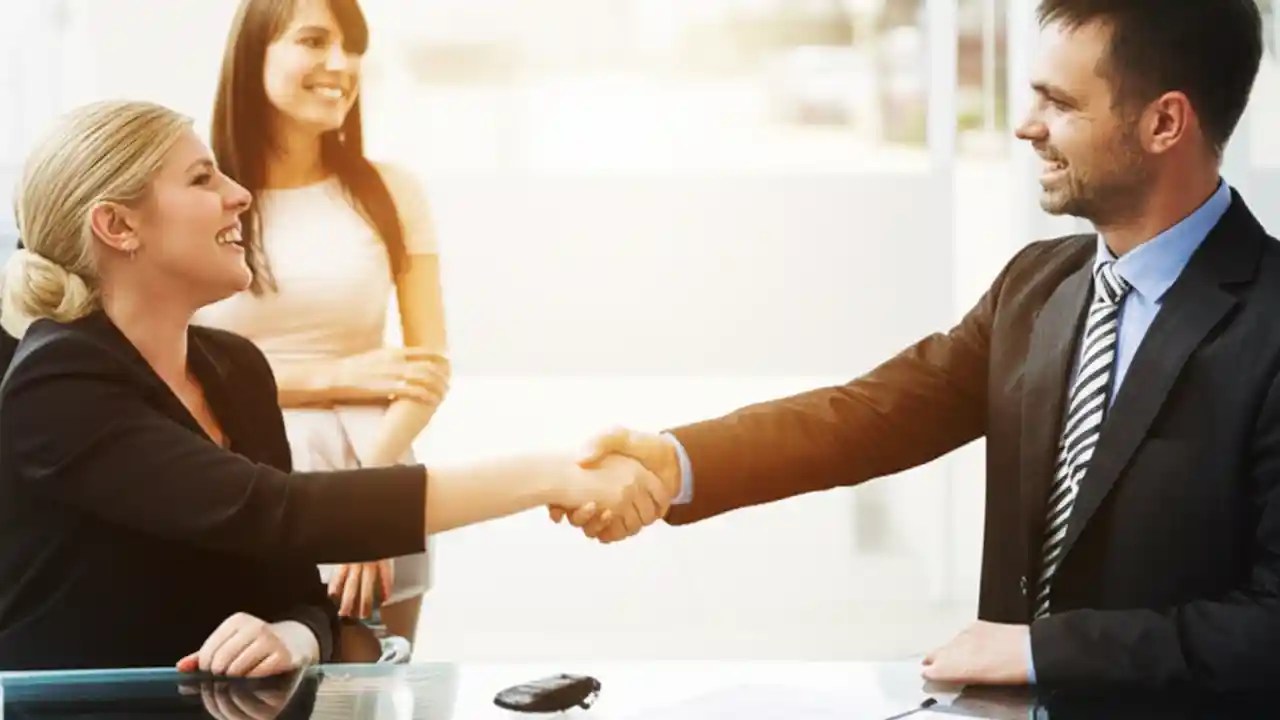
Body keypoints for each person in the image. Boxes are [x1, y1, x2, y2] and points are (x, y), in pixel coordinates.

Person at [561, 0, 1279, 693]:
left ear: (1164, 122)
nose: (1027, 126)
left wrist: (1042, 650)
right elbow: (871, 416)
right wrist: (679, 461)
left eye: (1059, 103)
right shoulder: (1037, 288)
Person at [0, 99, 658, 674]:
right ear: (117, 226)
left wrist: (289, 637)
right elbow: (281, 513)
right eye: (202, 179)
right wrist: (548, 474)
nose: (240, 195)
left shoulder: (235, 368)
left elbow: (298, 592)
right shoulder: (56, 383)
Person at [193, 0, 444, 648]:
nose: (342, 64)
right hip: (241, 490)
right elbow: (176, 374)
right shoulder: (200, 197)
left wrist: (368, 506)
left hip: (374, 469)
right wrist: (336, 375)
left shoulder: (391, 191)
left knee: (374, 693)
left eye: (352, 45)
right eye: (314, 41)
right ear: (255, 53)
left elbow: (428, 370)